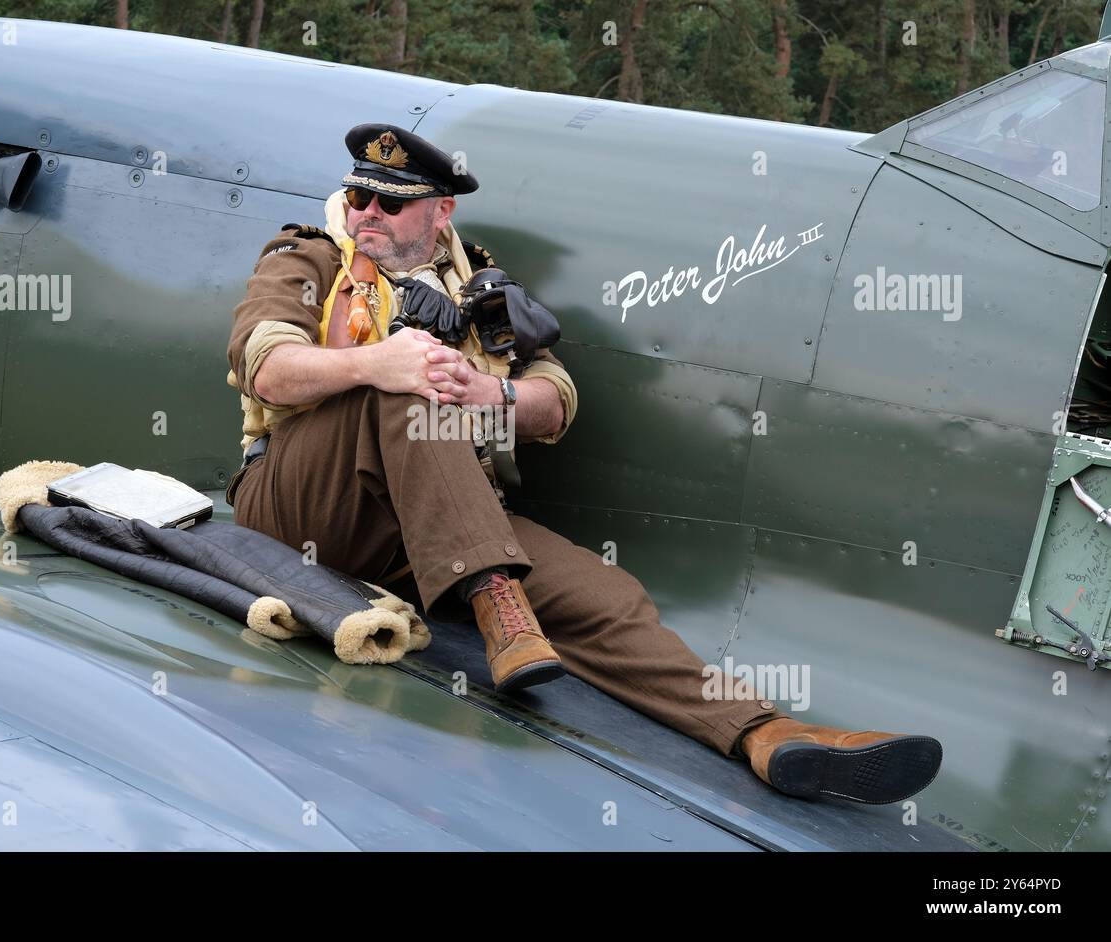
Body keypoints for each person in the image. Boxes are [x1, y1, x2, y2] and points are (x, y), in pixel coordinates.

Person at [225, 122, 943, 804]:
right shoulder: (310, 257)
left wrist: (494, 391)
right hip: (303, 504)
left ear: (439, 213)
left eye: (392, 202)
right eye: (359, 197)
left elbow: (557, 400)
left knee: (605, 596)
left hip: (430, 520)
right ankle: (501, 610)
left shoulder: (480, 288)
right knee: (411, 385)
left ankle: (764, 733)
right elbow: (267, 367)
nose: (367, 215)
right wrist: (379, 361)